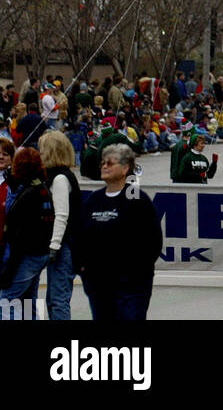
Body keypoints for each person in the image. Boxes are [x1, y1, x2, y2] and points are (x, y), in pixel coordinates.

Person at [78, 144, 164, 320]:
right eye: (102, 162)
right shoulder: (94, 200)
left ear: (125, 168)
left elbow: (153, 242)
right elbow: (80, 236)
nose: (104, 166)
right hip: (98, 285)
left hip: (130, 288)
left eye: (110, 162)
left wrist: (136, 273)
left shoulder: (137, 200)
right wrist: (83, 269)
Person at [0, 147, 54, 318]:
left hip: (25, 255)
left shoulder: (28, 195)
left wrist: (9, 271)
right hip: (38, 254)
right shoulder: (41, 188)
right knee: (28, 301)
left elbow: (18, 232)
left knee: (7, 301)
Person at [38, 131, 83, 320]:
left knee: (58, 300)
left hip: (64, 247)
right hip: (64, 245)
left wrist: (54, 245)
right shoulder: (60, 176)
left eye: (42, 150)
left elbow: (62, 215)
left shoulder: (60, 179)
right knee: (54, 298)